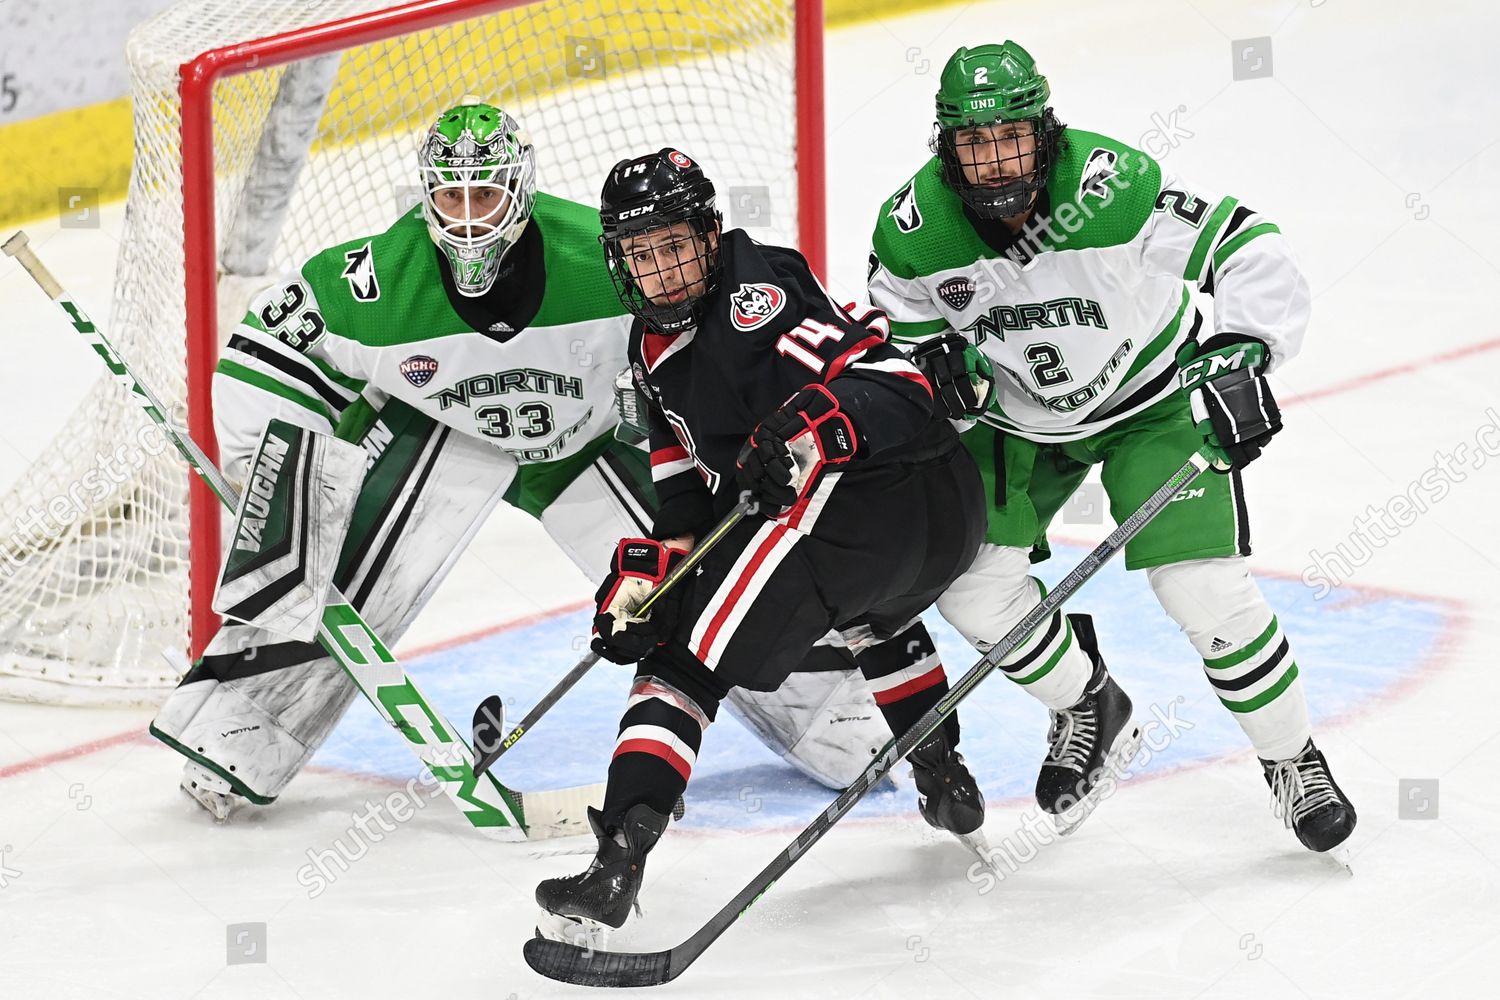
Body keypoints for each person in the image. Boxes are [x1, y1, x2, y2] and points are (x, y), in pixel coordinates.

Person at [150, 101, 895, 820]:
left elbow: (720, 326)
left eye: (485, 193)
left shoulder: (601, 260)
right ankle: (236, 733)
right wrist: (276, 474)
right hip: (440, 439)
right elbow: (267, 350)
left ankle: (833, 715)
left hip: (592, 442)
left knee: (707, 567)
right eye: (450, 193)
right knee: (323, 560)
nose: (467, 215)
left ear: (520, 190)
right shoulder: (375, 278)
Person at [867, 42, 1355, 851]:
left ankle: (1292, 757)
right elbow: (902, 322)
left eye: (1011, 136)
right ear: (944, 147)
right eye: (972, 142)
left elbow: (1243, 243)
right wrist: (928, 367)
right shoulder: (915, 228)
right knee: (971, 591)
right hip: (1014, 420)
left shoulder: (1110, 186)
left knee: (1205, 593)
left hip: (1150, 402)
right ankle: (1089, 702)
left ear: (1045, 131)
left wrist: (1244, 345)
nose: (993, 161)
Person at [533, 147, 989, 939]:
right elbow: (682, 500)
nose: (662, 270)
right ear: (619, 263)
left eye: (674, 245)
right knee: (873, 619)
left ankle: (616, 866)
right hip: (919, 533)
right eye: (641, 255)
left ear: (710, 235)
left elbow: (895, 386)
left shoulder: (755, 294)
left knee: (680, 662)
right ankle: (943, 772)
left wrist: (811, 428)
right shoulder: (652, 354)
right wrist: (647, 578)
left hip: (884, 495)